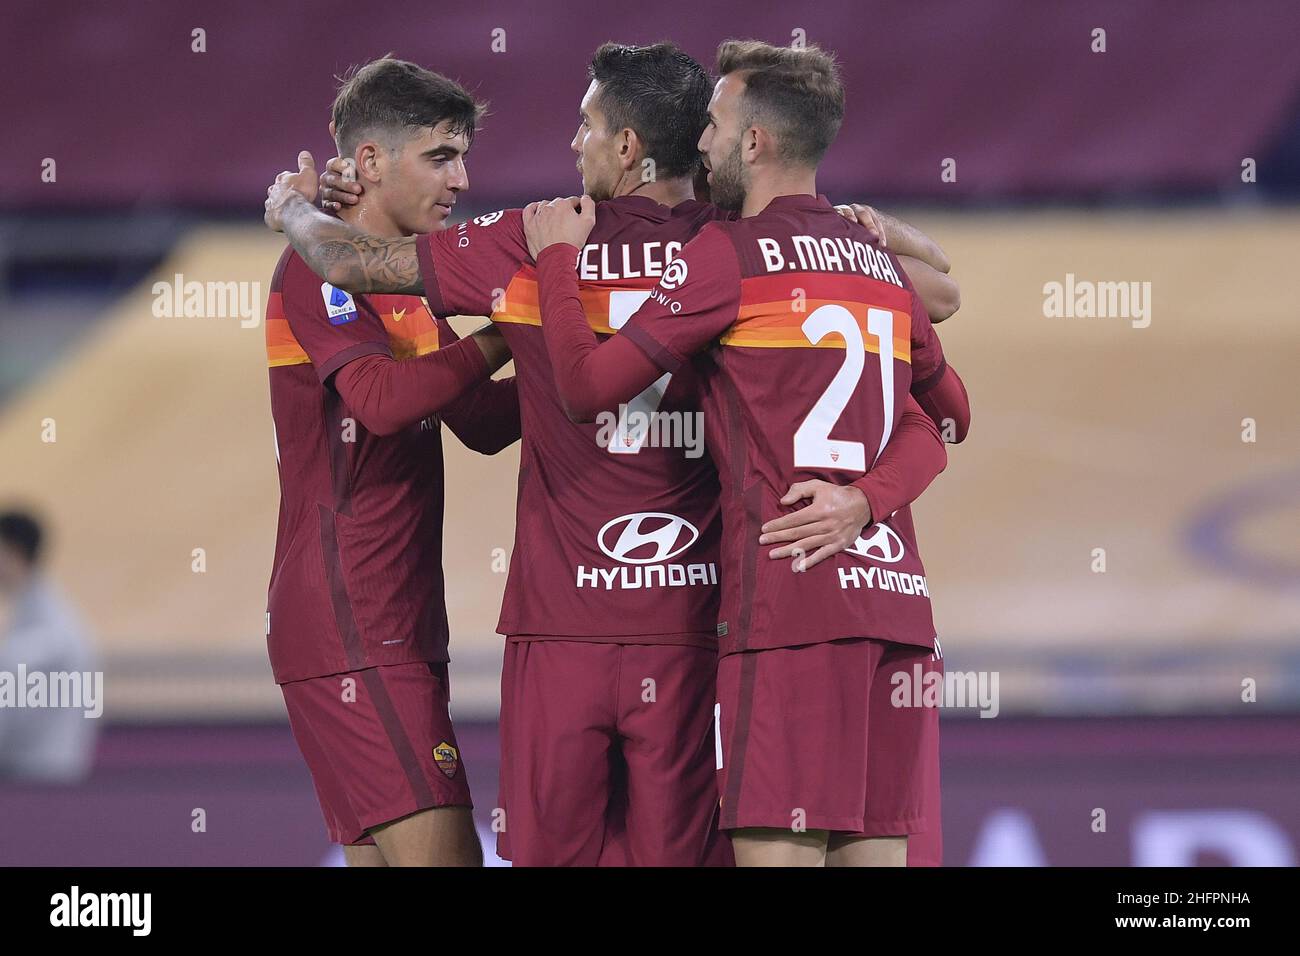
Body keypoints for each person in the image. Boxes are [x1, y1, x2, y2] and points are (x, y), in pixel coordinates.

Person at [265, 43, 961, 866]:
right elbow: (939, 296)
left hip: (558, 628)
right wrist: (865, 227)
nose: (573, 143)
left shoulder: (529, 241)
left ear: (626, 146)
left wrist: (294, 211)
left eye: (585, 125)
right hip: (694, 625)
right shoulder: (735, 246)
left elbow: (350, 263)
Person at [523, 39, 963, 866]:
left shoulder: (727, 255)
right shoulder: (867, 259)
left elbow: (584, 389)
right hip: (897, 612)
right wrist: (866, 499)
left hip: (787, 611)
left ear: (753, 141)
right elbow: (949, 415)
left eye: (716, 126)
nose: (701, 142)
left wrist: (555, 263)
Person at [264, 58, 519, 867]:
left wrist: (611, 367)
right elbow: (378, 400)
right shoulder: (316, 267)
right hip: (352, 622)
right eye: (440, 157)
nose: (461, 180)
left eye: (463, 157)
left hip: (390, 621)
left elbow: (480, 421)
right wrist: (510, 330)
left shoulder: (399, 278)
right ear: (369, 161)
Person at [0, 509, 100, 783]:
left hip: (43, 779)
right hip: (37, 771)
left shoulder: (53, 630)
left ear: (15, 553)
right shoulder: (32, 615)